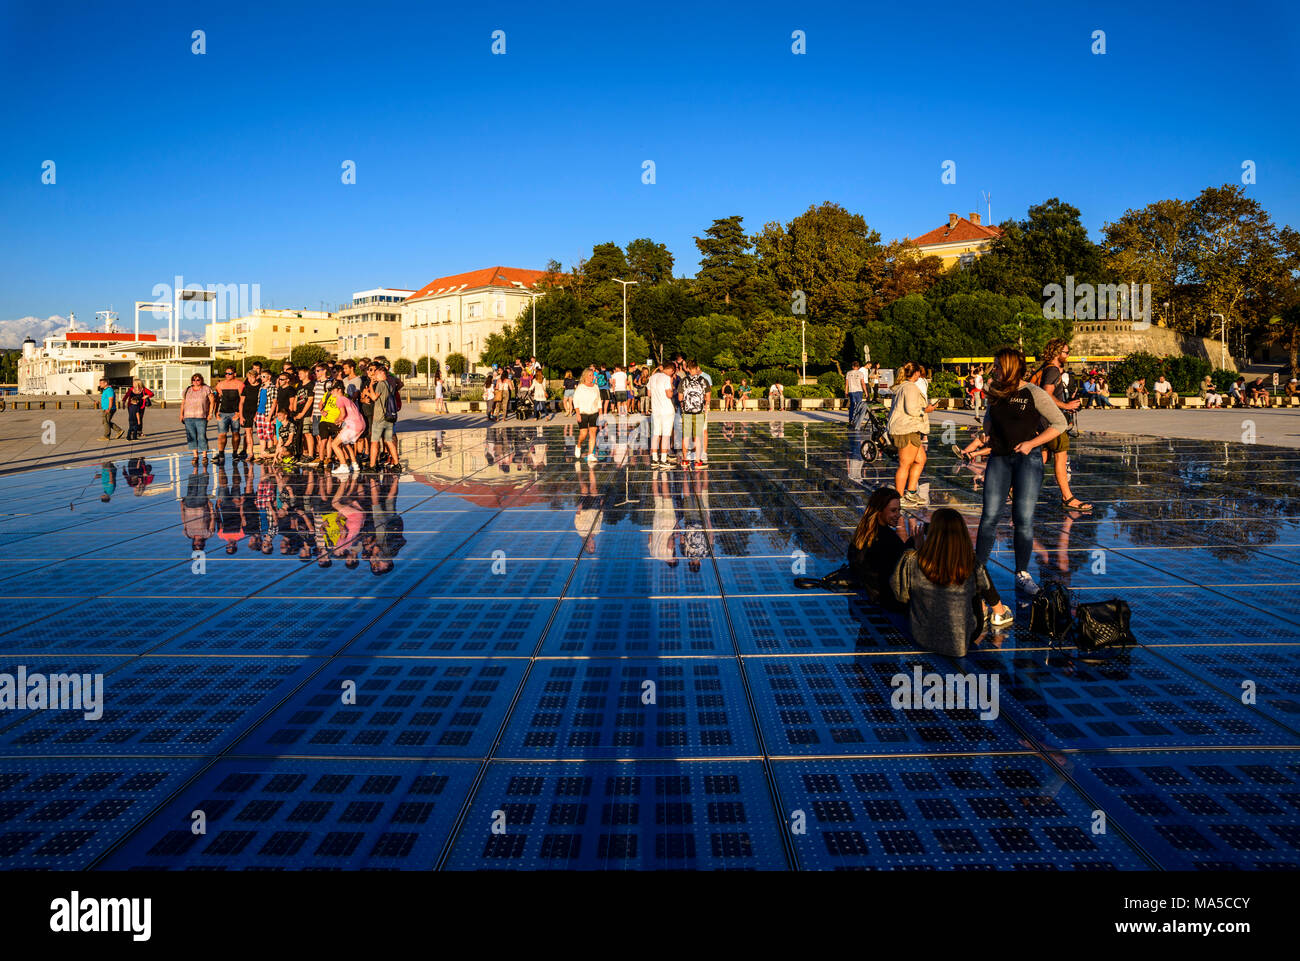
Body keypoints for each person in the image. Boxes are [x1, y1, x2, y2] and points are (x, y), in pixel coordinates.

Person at [974, 347, 1068, 595]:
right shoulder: (994, 391)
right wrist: (986, 430)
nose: (993, 369)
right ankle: (977, 571)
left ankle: (1022, 573)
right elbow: (989, 417)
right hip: (999, 459)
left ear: (1010, 366)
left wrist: (1031, 444)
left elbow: (1061, 423)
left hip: (1028, 461)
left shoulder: (1033, 393)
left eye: (997, 365)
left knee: (1023, 519)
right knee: (989, 517)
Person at [891, 507, 1013, 657]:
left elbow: (900, 594)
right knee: (977, 581)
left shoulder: (913, 559)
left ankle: (988, 609)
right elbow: (985, 586)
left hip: (921, 635)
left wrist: (916, 549)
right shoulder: (970, 562)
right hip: (962, 637)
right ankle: (998, 612)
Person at [1033, 338, 1091, 512]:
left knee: (1043, 457)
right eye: (1066, 352)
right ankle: (1068, 497)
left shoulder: (1044, 368)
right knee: (1061, 456)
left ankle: (1014, 486)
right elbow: (1045, 394)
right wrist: (1066, 406)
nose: (1068, 355)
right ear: (1057, 352)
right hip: (1051, 421)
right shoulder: (1052, 370)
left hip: (1041, 419)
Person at [847, 487, 916, 612]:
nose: (898, 515)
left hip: (869, 596)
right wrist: (916, 545)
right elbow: (906, 570)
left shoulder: (862, 534)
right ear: (879, 511)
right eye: (893, 511)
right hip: (887, 600)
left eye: (899, 510)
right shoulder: (887, 539)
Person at [887, 362, 935, 507]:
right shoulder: (909, 387)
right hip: (907, 428)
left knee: (920, 459)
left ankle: (911, 492)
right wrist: (926, 410)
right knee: (905, 464)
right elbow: (912, 409)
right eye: (919, 372)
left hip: (909, 428)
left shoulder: (903, 386)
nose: (920, 374)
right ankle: (899, 497)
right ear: (916, 373)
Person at [677, 359, 711, 470]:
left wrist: (683, 407)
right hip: (699, 412)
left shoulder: (683, 381)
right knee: (698, 436)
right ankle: (697, 461)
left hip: (686, 412)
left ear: (688, 369)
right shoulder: (704, 381)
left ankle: (685, 459)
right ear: (697, 368)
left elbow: (680, 398)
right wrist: (705, 407)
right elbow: (708, 398)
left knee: (686, 436)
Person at [647, 362, 676, 468]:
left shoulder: (652, 377)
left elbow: (649, 394)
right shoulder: (666, 378)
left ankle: (654, 459)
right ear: (671, 370)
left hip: (656, 410)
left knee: (655, 434)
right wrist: (672, 389)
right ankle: (663, 459)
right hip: (666, 410)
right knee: (666, 435)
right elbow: (669, 395)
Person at [180, 373, 213, 463]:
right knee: (191, 436)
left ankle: (204, 456)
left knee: (202, 436)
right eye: (194, 380)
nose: (196, 381)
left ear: (201, 380)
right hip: (188, 416)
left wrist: (210, 413)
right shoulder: (187, 390)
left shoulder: (206, 389)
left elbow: (212, 401)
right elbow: (183, 402)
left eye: (198, 380)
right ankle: (195, 455)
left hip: (201, 416)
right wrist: (181, 414)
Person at [214, 366, 245, 463]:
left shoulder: (240, 384)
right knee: (221, 434)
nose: (227, 375)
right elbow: (217, 400)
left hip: (235, 413)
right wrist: (216, 412)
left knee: (235, 434)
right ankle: (221, 453)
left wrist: (240, 413)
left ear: (234, 374)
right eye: (226, 373)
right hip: (223, 413)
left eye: (230, 373)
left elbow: (242, 400)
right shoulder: (220, 385)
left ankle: (235, 453)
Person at [573, 367, 602, 463]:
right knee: (584, 434)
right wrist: (577, 414)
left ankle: (590, 454)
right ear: (585, 376)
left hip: (594, 413)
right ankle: (578, 445)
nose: (592, 377)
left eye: (592, 375)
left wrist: (600, 413)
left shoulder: (595, 387)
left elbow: (599, 400)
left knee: (593, 433)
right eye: (590, 375)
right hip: (583, 413)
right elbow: (575, 401)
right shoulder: (580, 387)